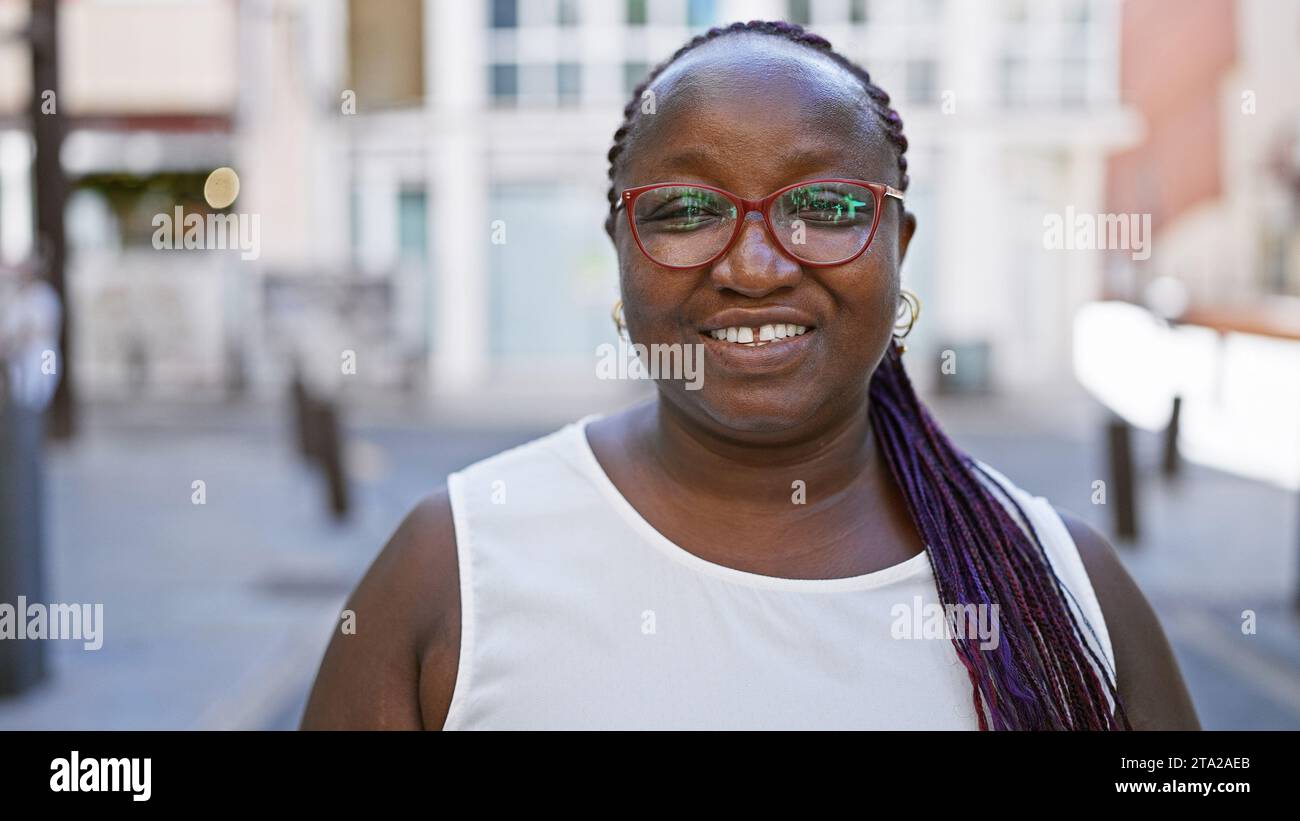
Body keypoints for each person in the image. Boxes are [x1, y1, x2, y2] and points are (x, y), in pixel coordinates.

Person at [301, 20, 1198, 730]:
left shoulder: (1062, 587)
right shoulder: (454, 568)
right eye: (688, 209)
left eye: (825, 205)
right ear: (620, 256)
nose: (758, 265)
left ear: (899, 252)